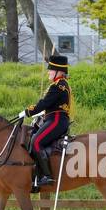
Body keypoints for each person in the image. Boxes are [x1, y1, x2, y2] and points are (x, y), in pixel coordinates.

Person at [17, 55, 72, 190]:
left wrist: (27, 112)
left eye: (51, 70)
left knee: (36, 142)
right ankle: (36, 174)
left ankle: (47, 176)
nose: (48, 72)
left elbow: (44, 103)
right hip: (54, 118)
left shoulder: (58, 85)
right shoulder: (61, 85)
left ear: (59, 71)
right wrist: (43, 112)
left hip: (57, 120)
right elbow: (52, 105)